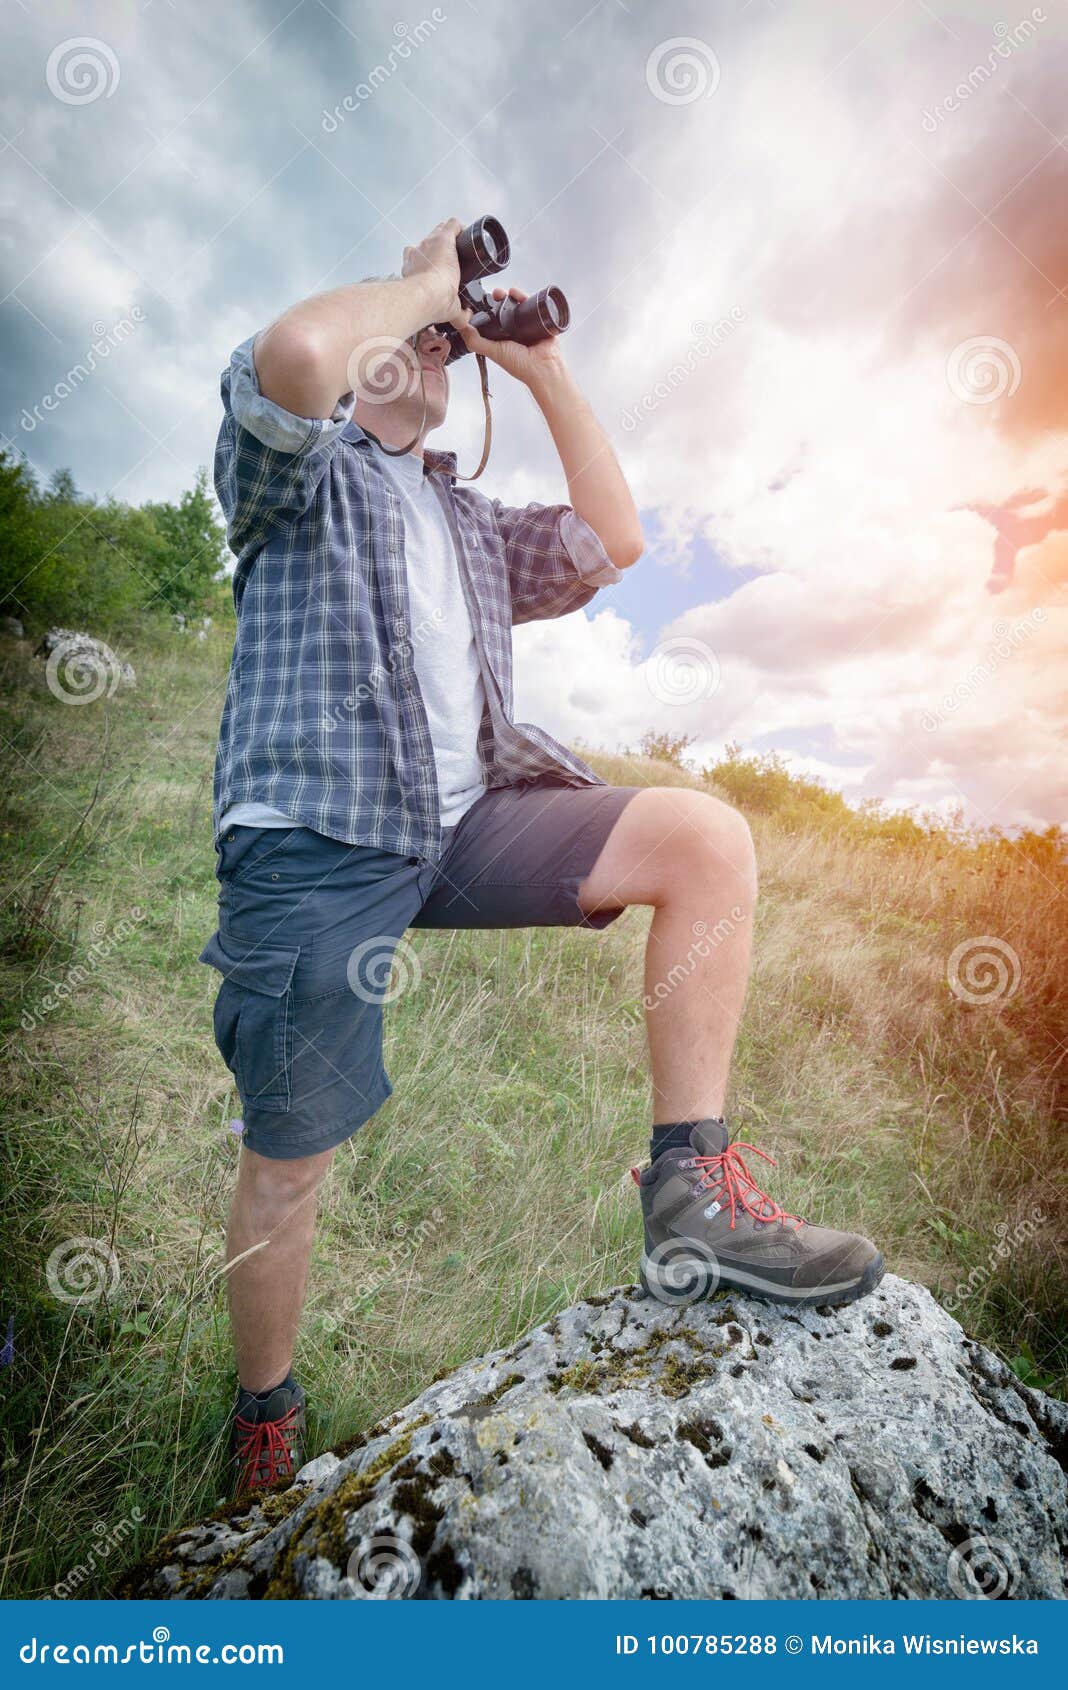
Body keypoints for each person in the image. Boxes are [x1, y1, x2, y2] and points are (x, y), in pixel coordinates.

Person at [203, 217, 883, 1494]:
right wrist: (420, 283)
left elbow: (614, 539)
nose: (427, 344)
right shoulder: (296, 478)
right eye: (404, 332)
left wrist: (544, 367)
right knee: (290, 1153)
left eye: (441, 338)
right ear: (371, 351)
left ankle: (692, 1193)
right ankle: (263, 1416)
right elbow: (297, 351)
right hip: (316, 836)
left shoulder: (464, 521)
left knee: (706, 838)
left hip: (460, 823)